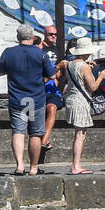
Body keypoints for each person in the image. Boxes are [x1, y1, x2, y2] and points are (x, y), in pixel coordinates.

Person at [0, 23, 56, 175]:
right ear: (33, 37)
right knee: (35, 134)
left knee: (18, 132)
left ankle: (20, 166)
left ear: (18, 37)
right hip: (36, 100)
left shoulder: (9, 53)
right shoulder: (40, 53)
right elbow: (52, 75)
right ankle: (34, 167)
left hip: (17, 99)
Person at [59, 38, 104, 175]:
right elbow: (93, 87)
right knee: (80, 135)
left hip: (72, 99)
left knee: (78, 134)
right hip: (80, 102)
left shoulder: (70, 64)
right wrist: (101, 76)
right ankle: (76, 166)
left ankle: (76, 165)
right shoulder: (84, 67)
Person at [40, 24, 63, 159]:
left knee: (52, 107)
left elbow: (59, 72)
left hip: (52, 89)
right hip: (40, 88)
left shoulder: (57, 50)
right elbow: (41, 75)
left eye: (55, 34)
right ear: (44, 34)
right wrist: (54, 71)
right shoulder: (39, 49)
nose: (53, 36)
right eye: (50, 34)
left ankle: (44, 140)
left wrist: (56, 72)